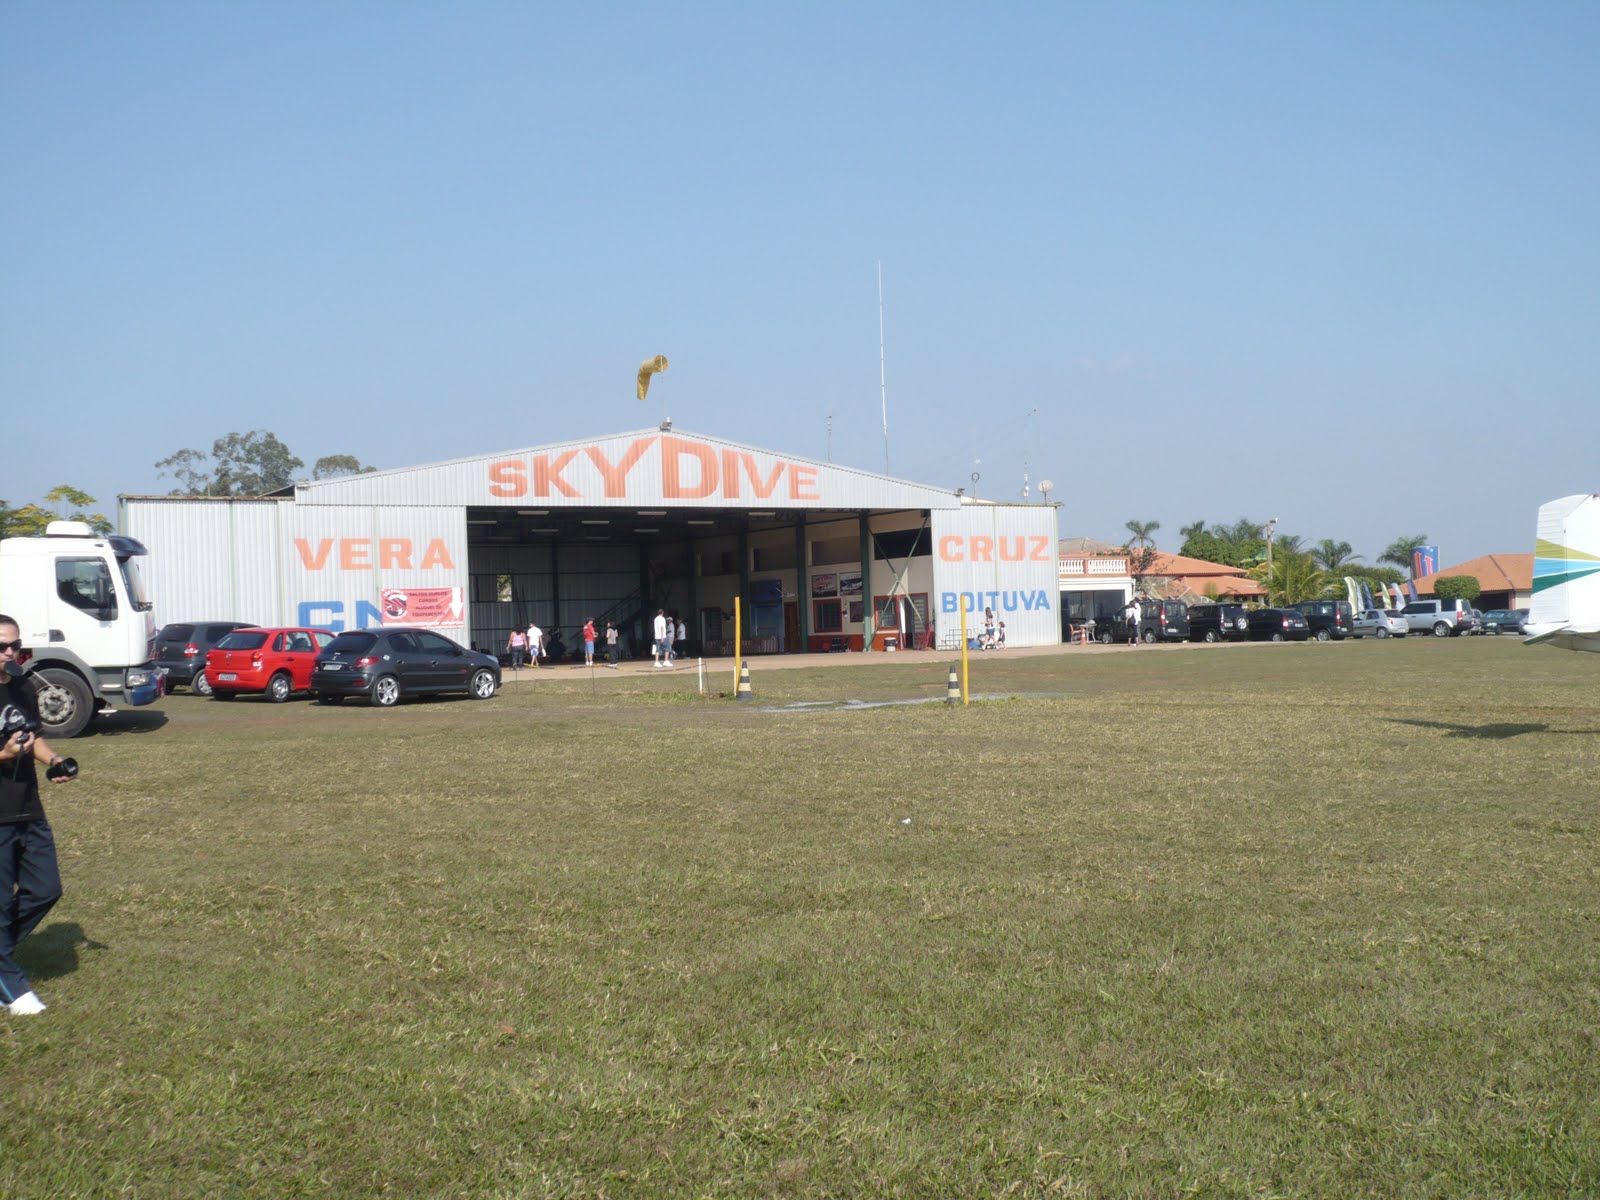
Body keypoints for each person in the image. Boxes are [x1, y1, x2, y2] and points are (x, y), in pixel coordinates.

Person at [0, 615, 77, 1016]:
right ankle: (12, 988)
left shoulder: (22, 686)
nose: (10, 653)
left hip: (28, 807)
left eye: (15, 645)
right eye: (2, 647)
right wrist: (4, 755)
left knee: (46, 889)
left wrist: (54, 760)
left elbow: (33, 737)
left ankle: (2, 953)